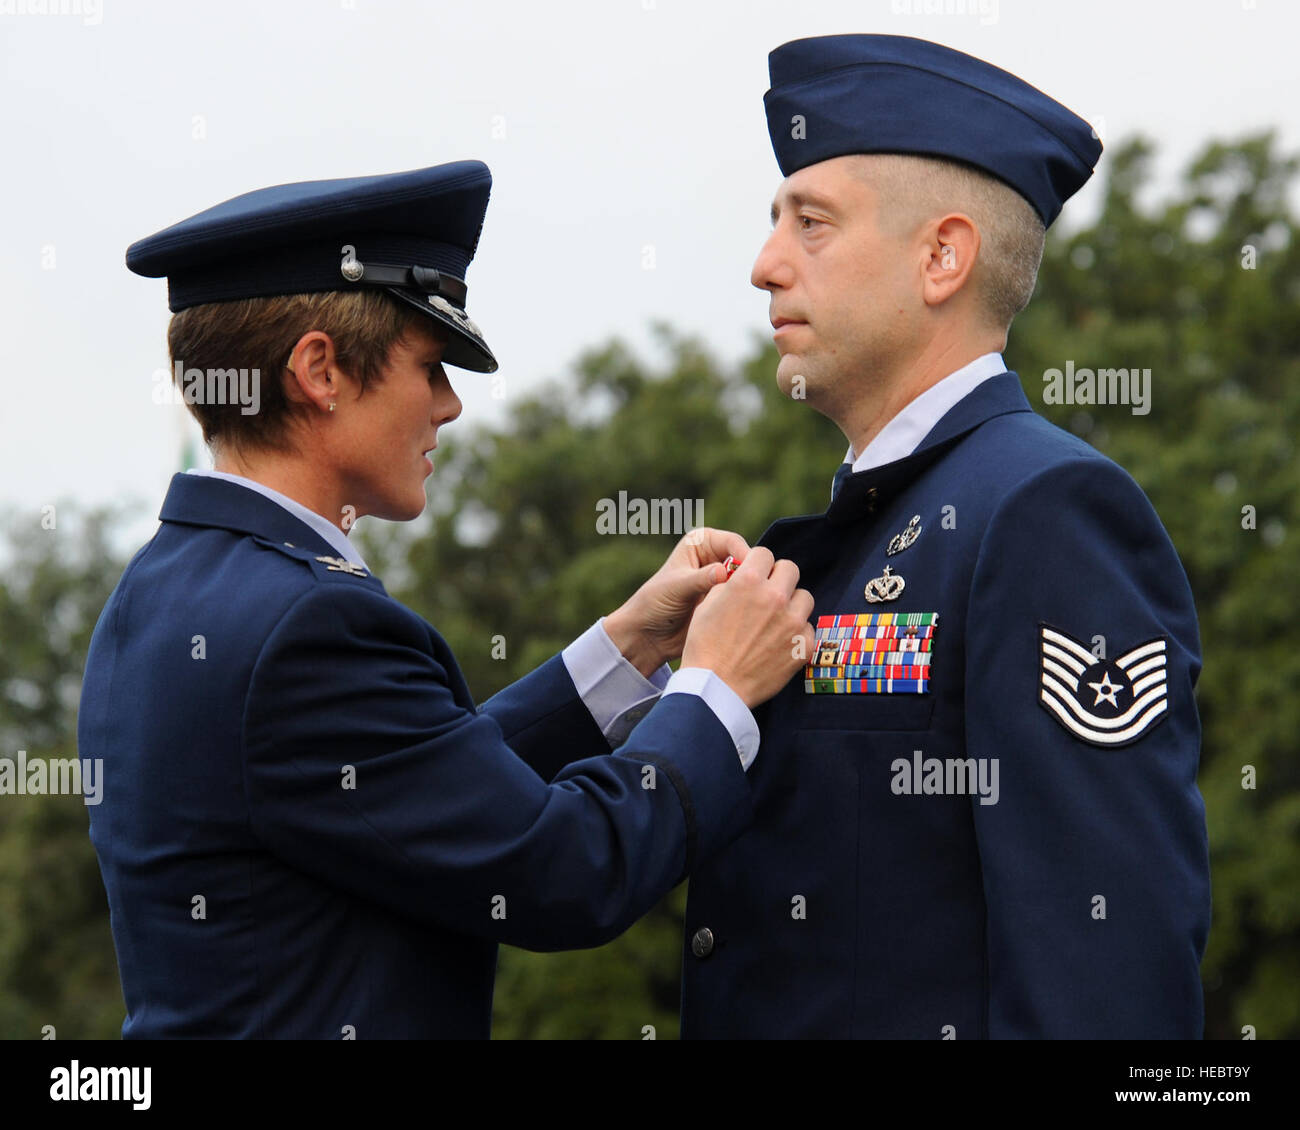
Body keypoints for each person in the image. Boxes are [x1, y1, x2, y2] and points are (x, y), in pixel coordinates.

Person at [80, 160, 815, 1038]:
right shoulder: (310, 623)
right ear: (320, 370)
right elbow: (564, 872)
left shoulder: (167, 586)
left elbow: (409, 788)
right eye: (429, 365)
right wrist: (716, 686)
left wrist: (629, 645)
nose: (450, 405)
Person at [679, 35, 1211, 1038]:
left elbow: (1106, 979)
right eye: (771, 221)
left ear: (941, 256)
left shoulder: (1046, 512)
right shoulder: (880, 519)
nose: (763, 265)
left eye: (811, 222)